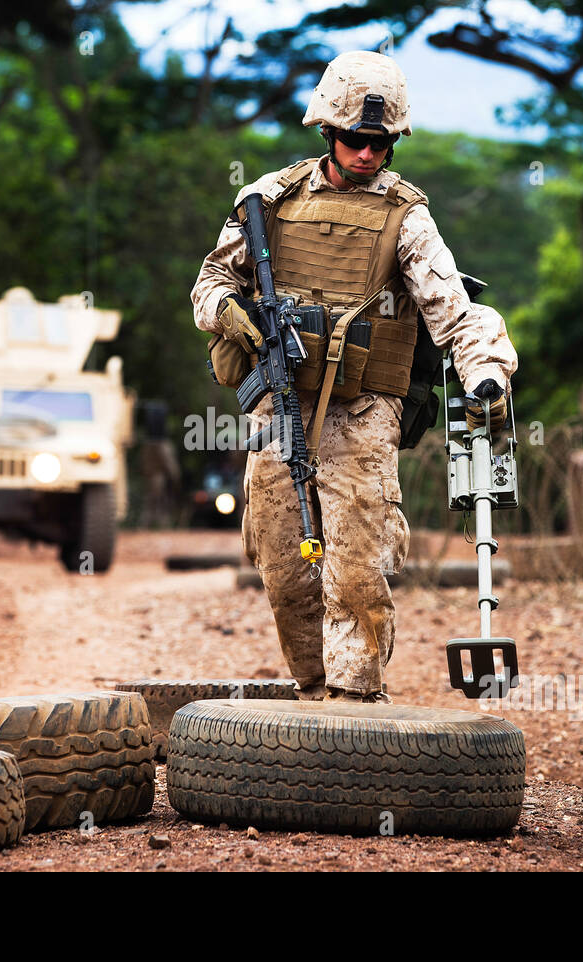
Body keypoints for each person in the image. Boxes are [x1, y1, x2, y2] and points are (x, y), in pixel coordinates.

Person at [189, 50, 518, 702]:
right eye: (354, 139)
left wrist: (486, 375)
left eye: (380, 142)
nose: (367, 153)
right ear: (326, 132)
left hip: (365, 411)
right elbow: (209, 283)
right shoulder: (267, 202)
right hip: (279, 410)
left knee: (356, 576)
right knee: (286, 573)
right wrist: (230, 313)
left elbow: (455, 312)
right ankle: (315, 697)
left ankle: (356, 703)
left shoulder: (406, 217)